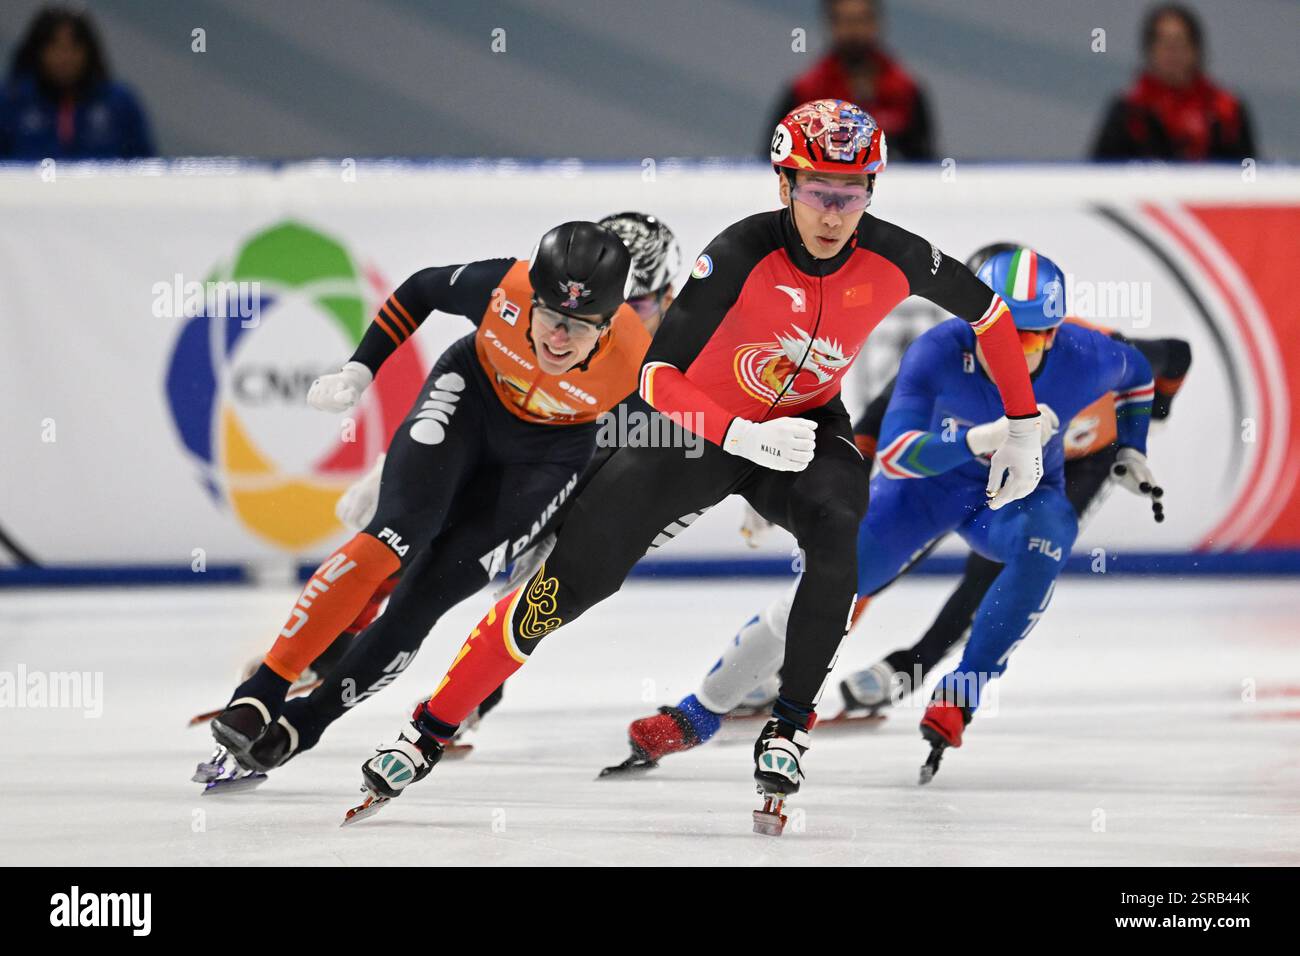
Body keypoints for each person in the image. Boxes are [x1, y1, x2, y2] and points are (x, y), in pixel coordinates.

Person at [348, 99, 1044, 824]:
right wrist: (739, 434)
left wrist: (1022, 425)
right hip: (697, 432)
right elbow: (657, 377)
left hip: (807, 430)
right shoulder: (740, 252)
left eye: (853, 194)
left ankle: (788, 726)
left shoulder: (898, 255)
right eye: (817, 193)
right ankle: (428, 729)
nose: (835, 214)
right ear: (785, 185)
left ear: (872, 189)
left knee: (840, 529)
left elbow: (990, 315)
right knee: (566, 587)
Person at [610, 247, 1160, 788]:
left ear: (1057, 334)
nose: (1017, 351)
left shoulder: (1088, 356)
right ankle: (697, 713)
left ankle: (963, 692)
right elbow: (897, 456)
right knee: (825, 587)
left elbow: (1141, 377)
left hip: (1015, 500)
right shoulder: (939, 350)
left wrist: (1132, 448)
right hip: (926, 491)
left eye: (1035, 337)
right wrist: (981, 439)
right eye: (1003, 334)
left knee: (1052, 533)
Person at [212, 214, 684, 776]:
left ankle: (306, 725)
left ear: (612, 322)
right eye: (551, 317)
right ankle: (263, 691)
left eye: (580, 327)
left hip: (549, 456)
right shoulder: (501, 289)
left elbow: (674, 458)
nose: (558, 339)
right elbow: (419, 289)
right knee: (392, 536)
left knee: (430, 593)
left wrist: (562, 534)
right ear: (530, 297)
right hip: (470, 397)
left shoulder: (646, 365)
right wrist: (360, 370)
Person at [763, 0, 934, 161]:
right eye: (846, 21)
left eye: (861, 20)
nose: (854, 31)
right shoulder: (804, 93)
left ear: (876, 23)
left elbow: (924, 165)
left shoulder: (906, 91)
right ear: (831, 25)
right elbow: (773, 161)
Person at [1091, 4, 1255, 161]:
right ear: (1149, 51)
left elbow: (1248, 177)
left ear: (1196, 49)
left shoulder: (1226, 111)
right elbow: (1101, 174)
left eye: (1180, 42)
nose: (1172, 52)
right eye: (1164, 43)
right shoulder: (1129, 111)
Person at [0, 5, 154, 159]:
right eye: (54, 46)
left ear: (89, 51)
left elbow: (144, 167)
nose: (64, 57)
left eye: (74, 46)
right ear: (38, 51)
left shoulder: (120, 104)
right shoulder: (11, 101)